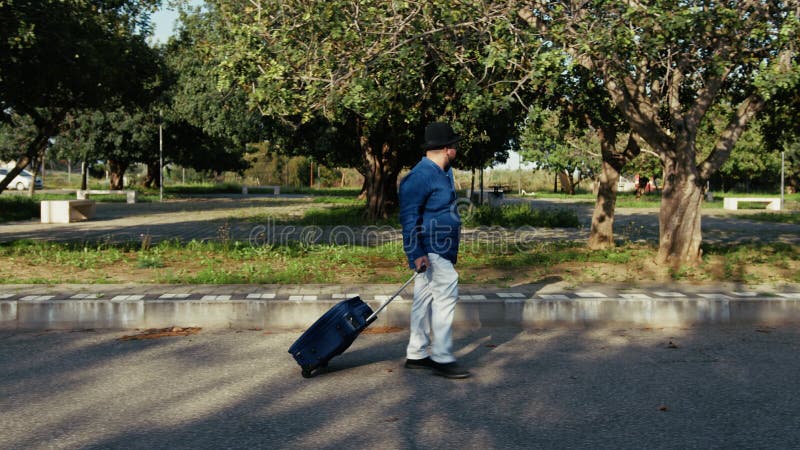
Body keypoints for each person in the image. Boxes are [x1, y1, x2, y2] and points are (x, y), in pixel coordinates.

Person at [398, 122, 470, 379]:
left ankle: (416, 354)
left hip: (440, 248)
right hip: (432, 248)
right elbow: (409, 219)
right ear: (447, 148)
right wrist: (416, 253)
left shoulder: (442, 172)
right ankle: (442, 356)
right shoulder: (420, 176)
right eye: (455, 145)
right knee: (446, 293)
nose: (457, 149)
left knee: (424, 299)